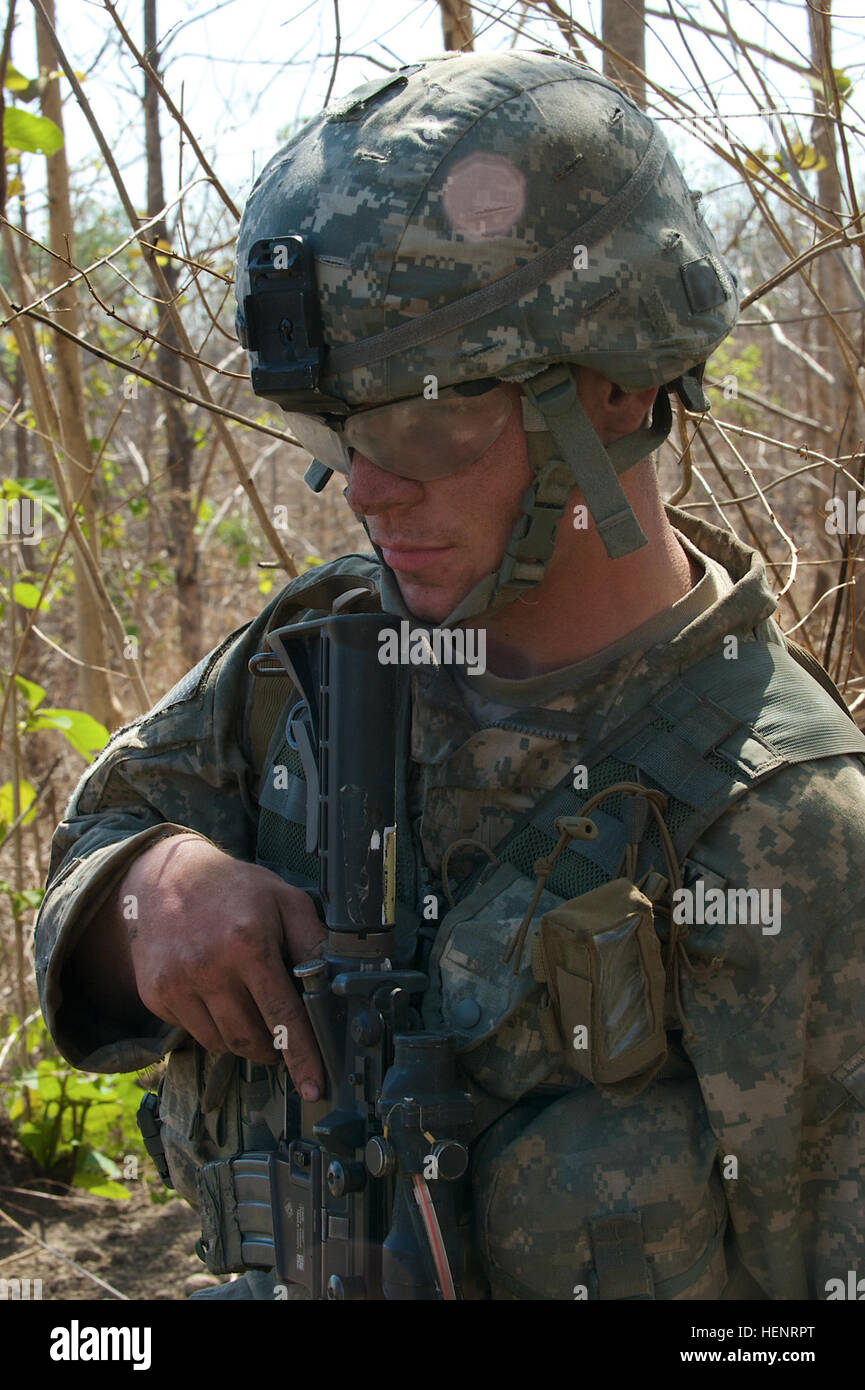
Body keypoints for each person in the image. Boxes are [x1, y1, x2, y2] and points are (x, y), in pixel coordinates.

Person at [35, 49, 865, 1301]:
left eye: (426, 425)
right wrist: (148, 893)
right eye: (337, 431)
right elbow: (93, 852)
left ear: (618, 385)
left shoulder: (791, 834)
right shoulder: (304, 661)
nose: (367, 488)